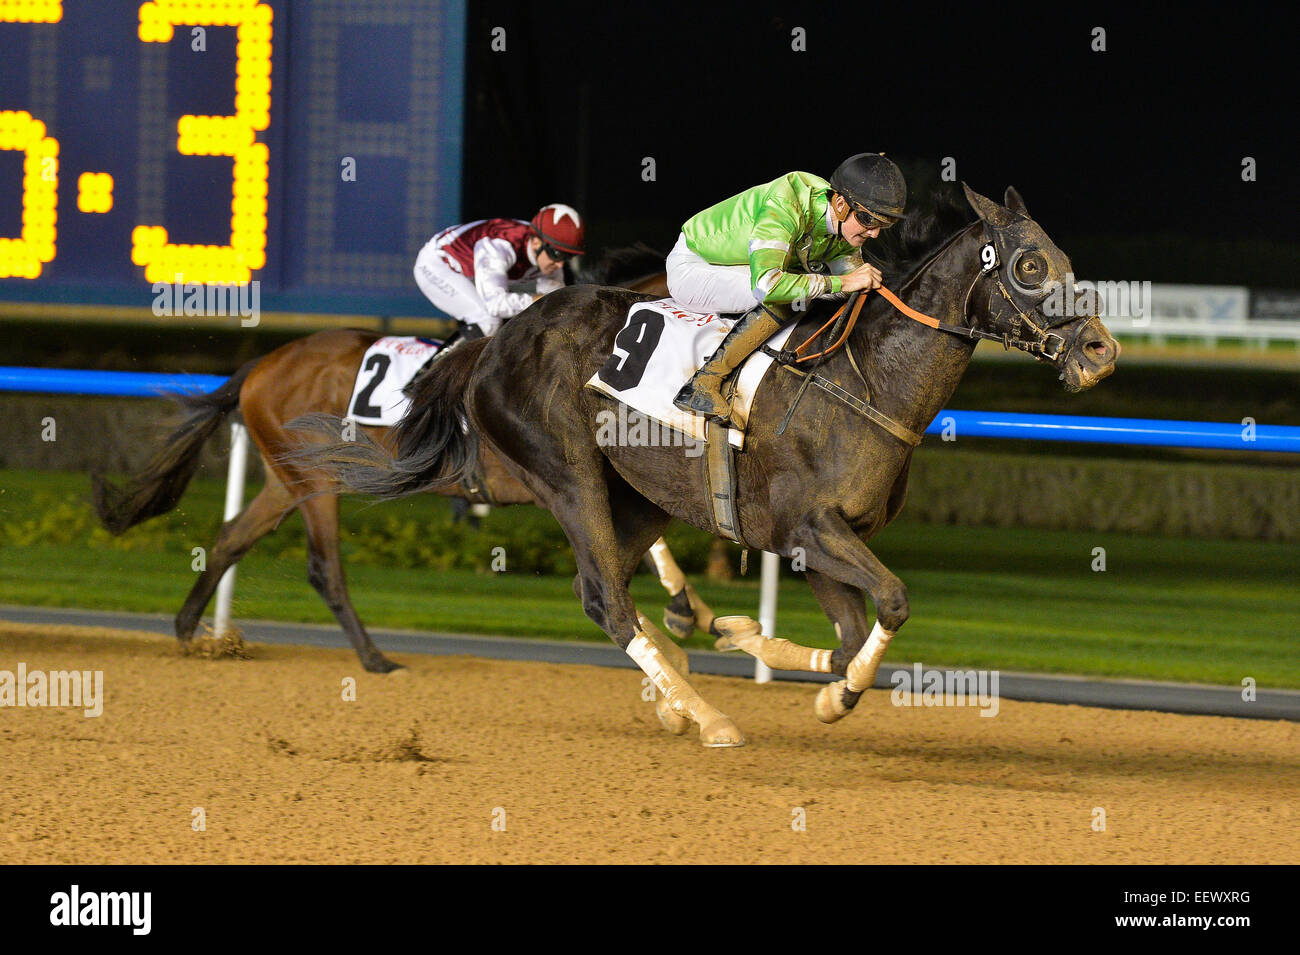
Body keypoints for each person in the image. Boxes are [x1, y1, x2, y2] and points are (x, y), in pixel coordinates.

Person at [669, 153, 908, 421]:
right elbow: (768, 286)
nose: (874, 233)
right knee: (791, 297)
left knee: (830, 294)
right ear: (841, 204)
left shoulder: (845, 232)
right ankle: (703, 383)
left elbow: (855, 288)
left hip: (741, 266)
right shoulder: (786, 203)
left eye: (884, 225)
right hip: (696, 265)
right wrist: (842, 282)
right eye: (868, 220)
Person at [414, 203, 585, 341]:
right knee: (487, 320)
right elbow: (495, 304)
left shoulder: (547, 255)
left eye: (568, 257)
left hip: (475, 274)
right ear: (536, 243)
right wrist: (539, 301)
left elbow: (558, 305)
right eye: (556, 254)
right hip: (437, 265)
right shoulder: (500, 246)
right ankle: (443, 370)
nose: (560, 264)